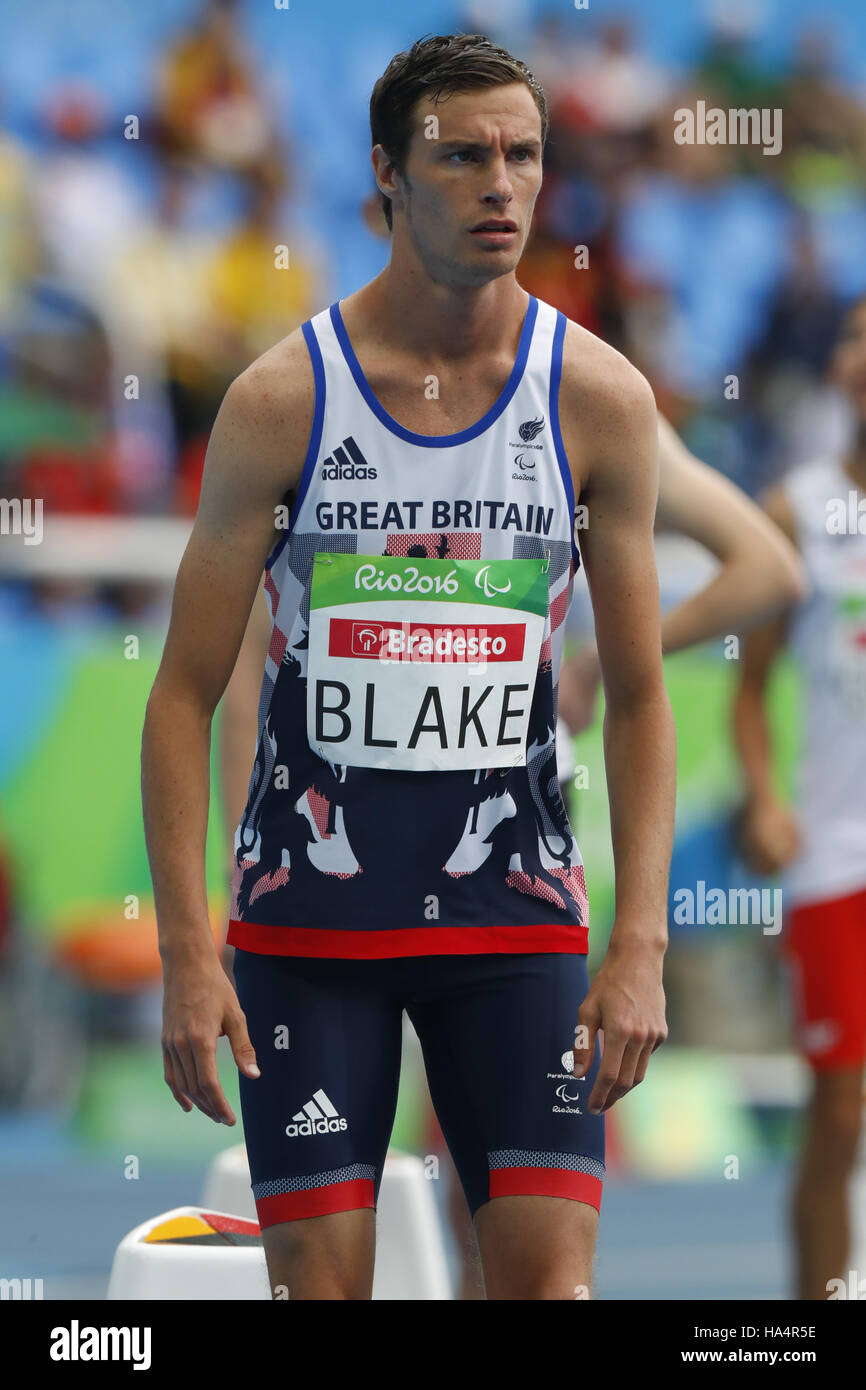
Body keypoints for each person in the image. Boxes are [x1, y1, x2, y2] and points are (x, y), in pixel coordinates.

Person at [142, 32, 677, 1301]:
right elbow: (181, 693)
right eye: (462, 156)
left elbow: (644, 696)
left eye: (523, 155)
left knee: (549, 1290)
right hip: (311, 930)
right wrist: (183, 948)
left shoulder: (597, 400)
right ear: (386, 173)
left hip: (515, 922)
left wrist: (642, 941)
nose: (501, 183)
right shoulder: (283, 403)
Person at [732, 292, 866, 1301]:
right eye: (857, 335)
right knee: (839, 1113)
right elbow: (746, 686)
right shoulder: (796, 509)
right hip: (833, 854)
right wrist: (765, 798)